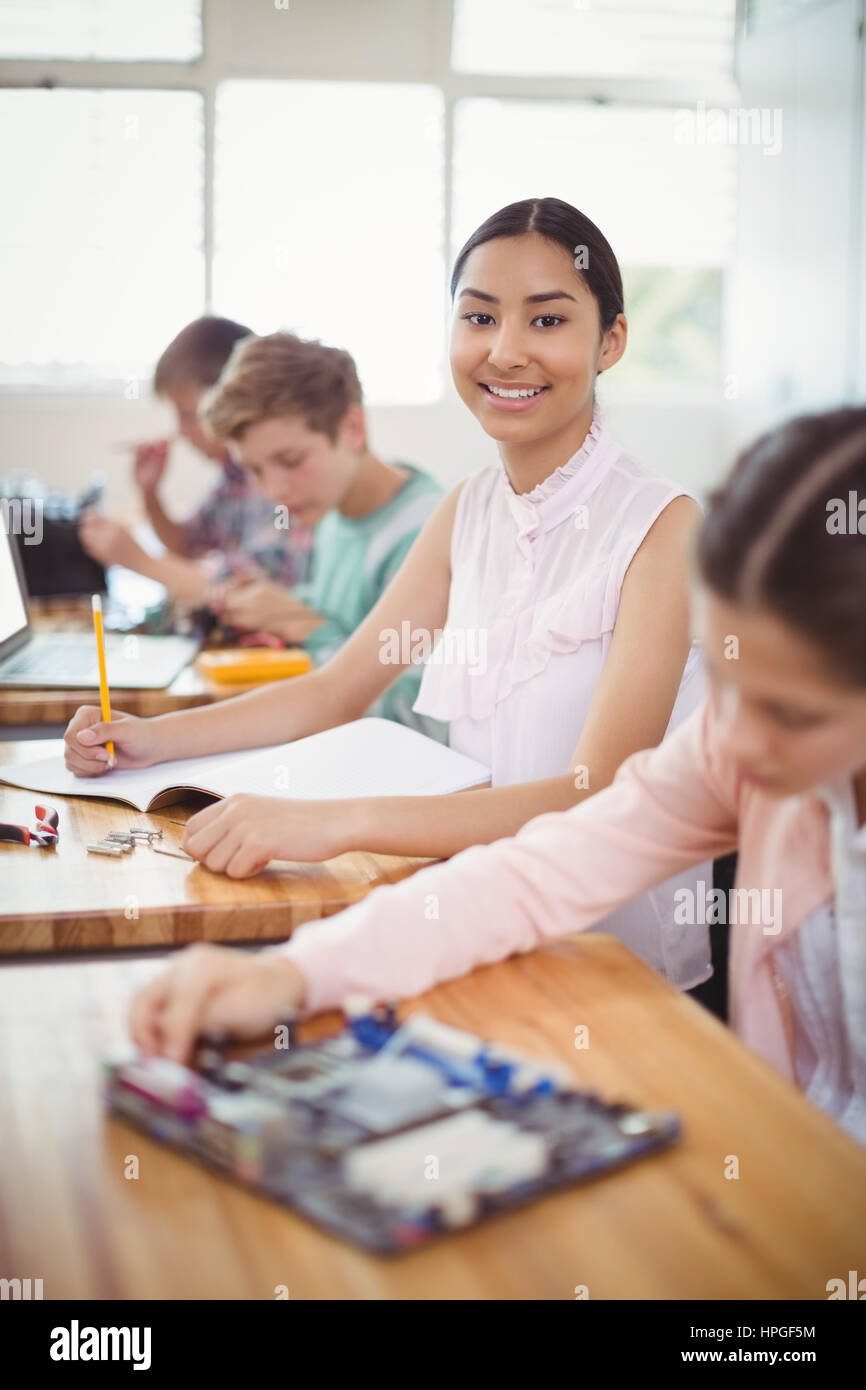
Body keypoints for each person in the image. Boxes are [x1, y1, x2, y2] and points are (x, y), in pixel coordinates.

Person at [128, 407, 866, 1145]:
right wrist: (292, 975)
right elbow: (540, 870)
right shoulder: (735, 751)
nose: (740, 735)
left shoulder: (648, 524)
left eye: (792, 712)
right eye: (731, 684)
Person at [65, 197, 710, 986]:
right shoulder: (467, 509)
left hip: (610, 965)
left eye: (547, 321)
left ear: (611, 340)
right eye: (479, 318)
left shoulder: (663, 528)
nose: (505, 351)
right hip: (473, 930)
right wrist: (152, 740)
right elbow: (336, 688)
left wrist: (334, 822)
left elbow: (592, 798)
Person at [79, 315, 314, 610]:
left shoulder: (280, 483)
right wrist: (150, 493)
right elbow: (187, 545)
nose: (180, 430)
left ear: (229, 399)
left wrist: (139, 560)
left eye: (188, 415)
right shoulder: (234, 478)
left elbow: (250, 594)